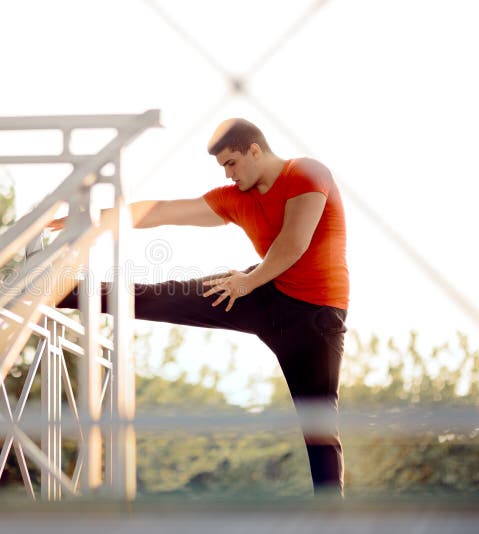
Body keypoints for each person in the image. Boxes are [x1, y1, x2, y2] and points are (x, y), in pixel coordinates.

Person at [51, 118, 349, 496]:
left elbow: (293, 245)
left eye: (231, 163)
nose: (228, 174)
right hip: (259, 292)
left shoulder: (306, 173)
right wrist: (92, 222)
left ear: (254, 150)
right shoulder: (235, 198)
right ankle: (64, 292)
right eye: (223, 167)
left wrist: (246, 282)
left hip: (314, 316)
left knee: (319, 427)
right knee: (165, 295)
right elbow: (161, 211)